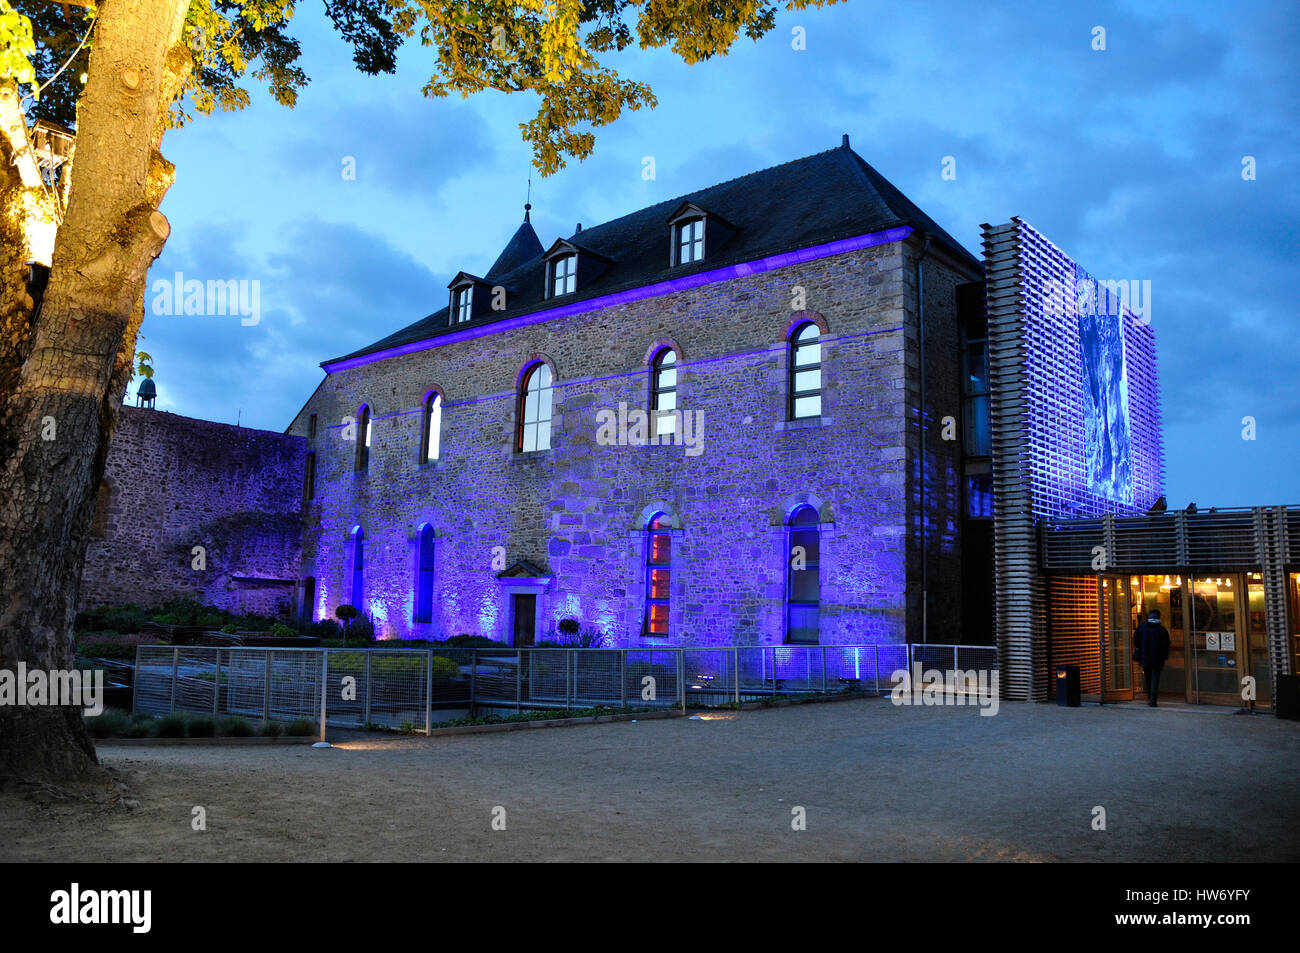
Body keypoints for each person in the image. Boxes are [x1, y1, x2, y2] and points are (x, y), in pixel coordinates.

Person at [1133, 609, 1172, 707]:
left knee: (1148, 678)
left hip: (1145, 656)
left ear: (1149, 616)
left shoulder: (1142, 628)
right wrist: (1164, 657)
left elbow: (1135, 640)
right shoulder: (1162, 630)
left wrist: (1141, 648)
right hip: (1158, 658)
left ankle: (1150, 697)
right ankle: (1153, 701)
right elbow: (1166, 645)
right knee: (1155, 679)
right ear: (1159, 617)